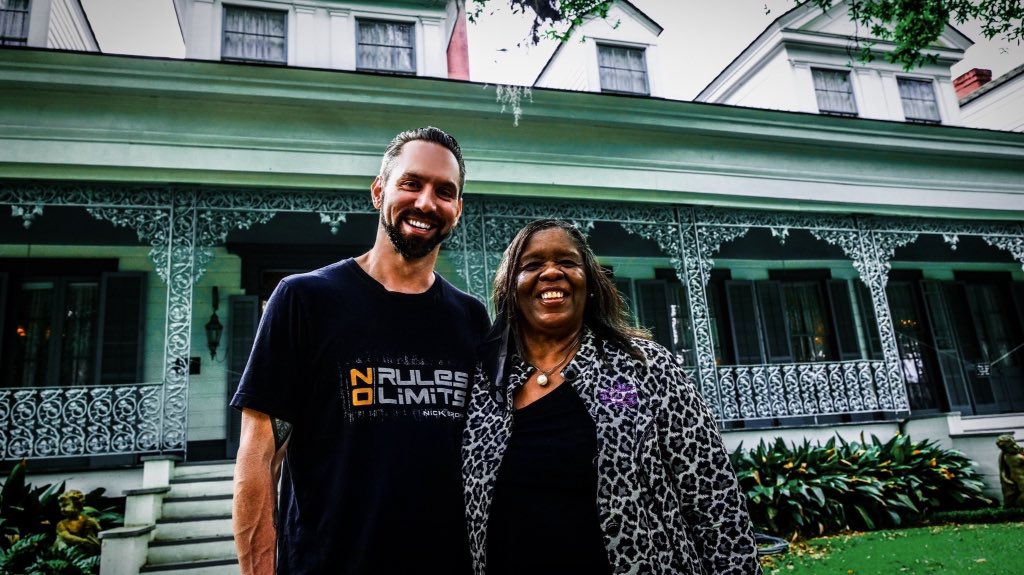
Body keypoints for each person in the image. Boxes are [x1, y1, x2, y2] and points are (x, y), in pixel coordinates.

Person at [231, 127, 490, 575]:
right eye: (411, 183)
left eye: (444, 192)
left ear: (458, 210)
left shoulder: (470, 318)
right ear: (378, 191)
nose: (427, 203)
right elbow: (258, 458)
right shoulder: (303, 300)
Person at [462, 219, 762, 575]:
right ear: (511, 287)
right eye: (532, 265)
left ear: (589, 282)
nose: (552, 272)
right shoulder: (484, 383)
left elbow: (715, 497)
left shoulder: (645, 366)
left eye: (568, 262)